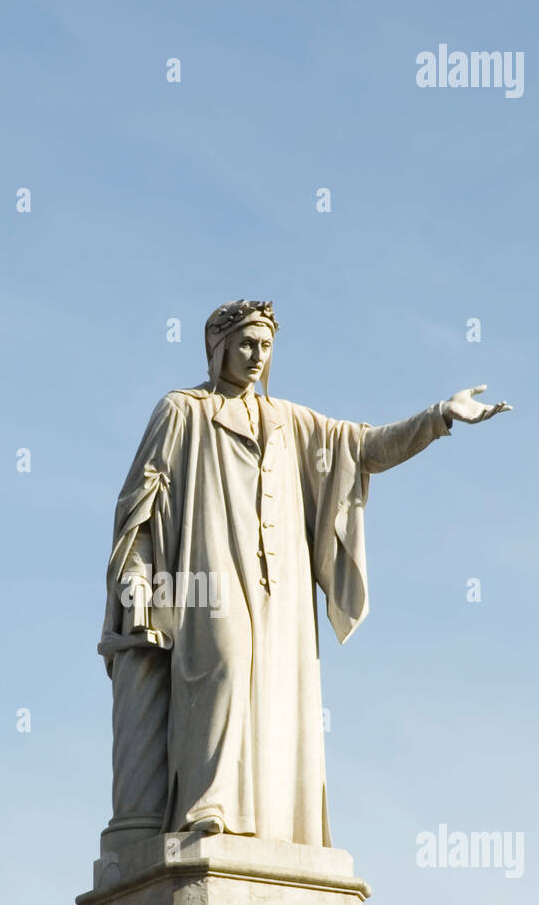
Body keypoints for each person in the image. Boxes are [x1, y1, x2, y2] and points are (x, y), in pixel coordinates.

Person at [100, 299, 511, 849]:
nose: (257, 356)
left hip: (283, 587)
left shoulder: (289, 421)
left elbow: (364, 447)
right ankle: (210, 802)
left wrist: (439, 417)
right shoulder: (183, 410)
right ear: (218, 347)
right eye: (247, 344)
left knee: (280, 694)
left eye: (266, 346)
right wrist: (137, 576)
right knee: (224, 662)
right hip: (209, 576)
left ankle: (280, 825)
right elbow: (142, 499)